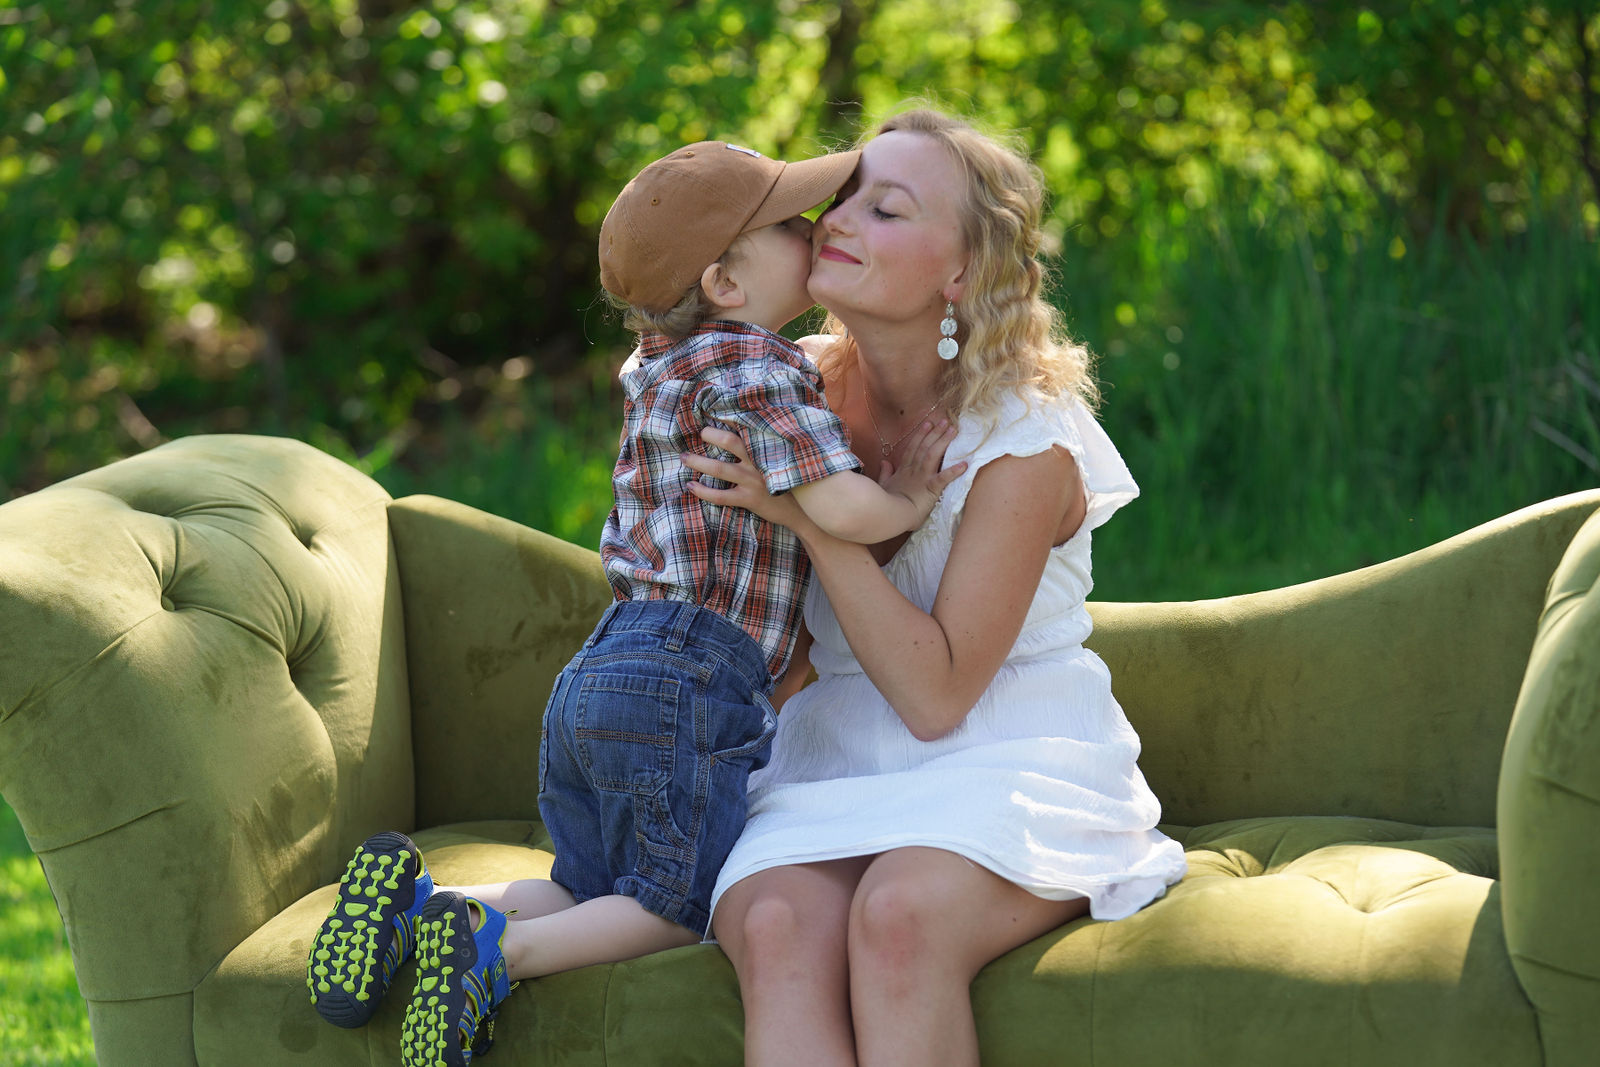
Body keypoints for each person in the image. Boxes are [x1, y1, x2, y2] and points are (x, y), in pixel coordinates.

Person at [304, 139, 963, 1067]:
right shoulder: (759, 370)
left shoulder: (658, 366)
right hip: (691, 675)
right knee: (675, 902)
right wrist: (915, 497)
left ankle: (428, 911)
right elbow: (843, 508)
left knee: (591, 886)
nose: (815, 228)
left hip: (602, 664)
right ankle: (499, 951)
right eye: (788, 223)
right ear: (726, 281)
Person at [679, 109, 1189, 1067]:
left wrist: (806, 518)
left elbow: (937, 696)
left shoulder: (1023, 436)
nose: (838, 220)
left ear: (961, 273)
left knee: (900, 913)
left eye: (888, 209)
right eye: (843, 200)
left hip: (1007, 753)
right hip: (829, 756)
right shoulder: (781, 392)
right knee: (779, 920)